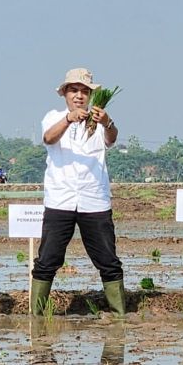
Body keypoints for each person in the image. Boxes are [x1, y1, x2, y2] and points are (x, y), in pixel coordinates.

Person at [31, 68, 125, 317]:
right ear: (65, 93)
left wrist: (107, 121)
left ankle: (119, 314)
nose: (79, 96)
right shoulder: (53, 117)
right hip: (60, 200)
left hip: (94, 200)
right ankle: (36, 316)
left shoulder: (100, 120)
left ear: (91, 95)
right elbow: (49, 138)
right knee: (47, 259)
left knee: (108, 260)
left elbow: (112, 139)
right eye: (74, 90)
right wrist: (69, 119)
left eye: (85, 91)